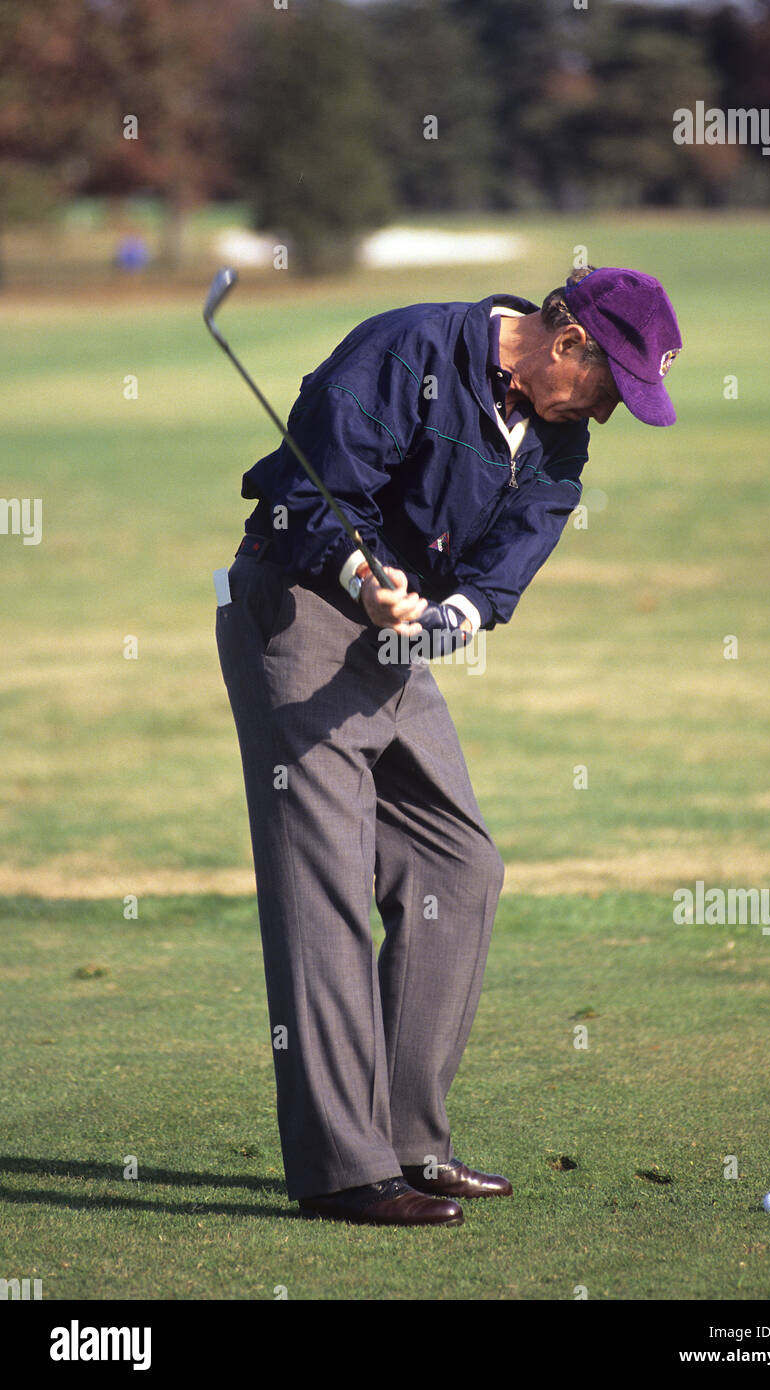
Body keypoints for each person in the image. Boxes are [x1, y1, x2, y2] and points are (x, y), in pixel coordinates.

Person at [215, 264, 682, 1227]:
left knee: (458, 865)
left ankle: (408, 1141)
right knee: (326, 881)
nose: (608, 414)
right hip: (297, 611)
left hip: (395, 643)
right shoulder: (410, 348)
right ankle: (344, 1170)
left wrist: (450, 617)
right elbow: (306, 498)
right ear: (569, 344)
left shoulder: (557, 433)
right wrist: (361, 570)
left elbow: (516, 548)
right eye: (611, 388)